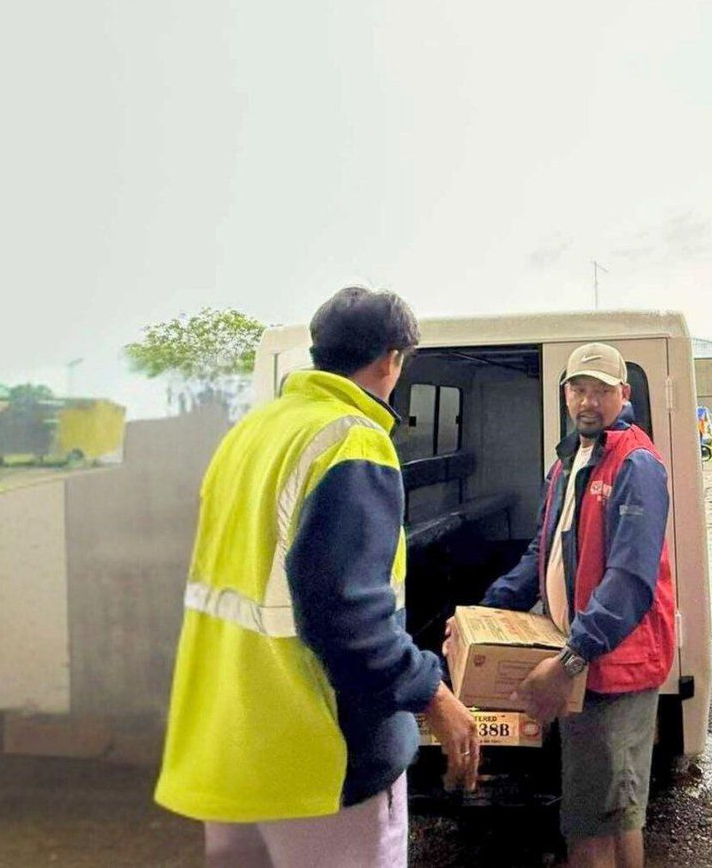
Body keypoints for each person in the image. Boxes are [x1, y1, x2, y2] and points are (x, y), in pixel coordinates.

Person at [155, 286, 480, 868]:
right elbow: (347, 616)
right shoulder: (351, 439)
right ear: (391, 359)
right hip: (316, 762)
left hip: (229, 748)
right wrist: (433, 693)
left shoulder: (250, 434)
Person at [456, 342, 673, 868]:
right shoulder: (569, 462)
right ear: (565, 394)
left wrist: (571, 658)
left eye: (601, 390)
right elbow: (543, 551)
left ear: (623, 395)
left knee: (592, 826)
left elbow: (629, 579)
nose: (588, 401)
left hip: (612, 668)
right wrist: (482, 616)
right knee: (610, 812)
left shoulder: (636, 463)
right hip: (584, 662)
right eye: (579, 389)